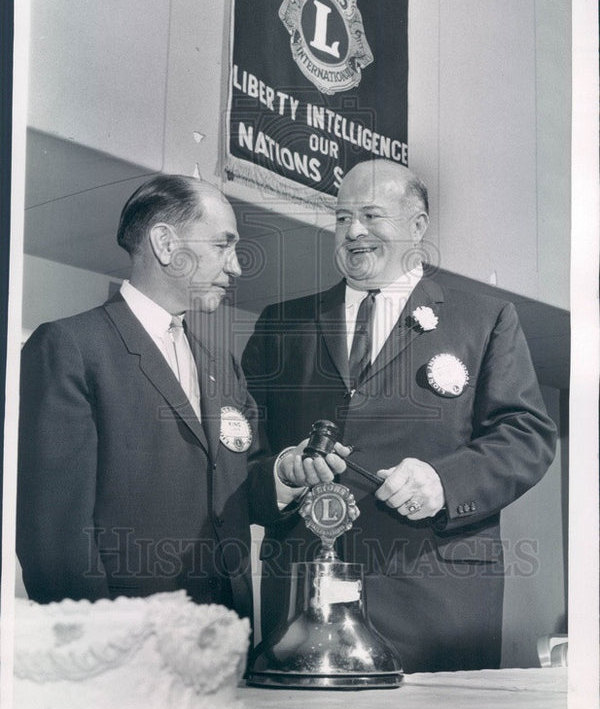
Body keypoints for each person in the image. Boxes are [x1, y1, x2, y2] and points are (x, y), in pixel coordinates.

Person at [242, 158, 557, 671]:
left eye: (371, 215)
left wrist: (443, 482)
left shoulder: (484, 320)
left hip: (436, 598)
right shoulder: (282, 323)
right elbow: (246, 453)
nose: (353, 231)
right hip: (303, 601)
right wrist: (282, 472)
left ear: (417, 225)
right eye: (342, 218)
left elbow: (527, 435)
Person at [17, 174, 345, 617]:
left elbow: (239, 485)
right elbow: (53, 534)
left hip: (227, 635)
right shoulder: (71, 347)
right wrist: (96, 648)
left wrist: (285, 475)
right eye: (222, 246)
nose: (237, 267)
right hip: (130, 645)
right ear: (165, 244)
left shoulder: (222, 366)